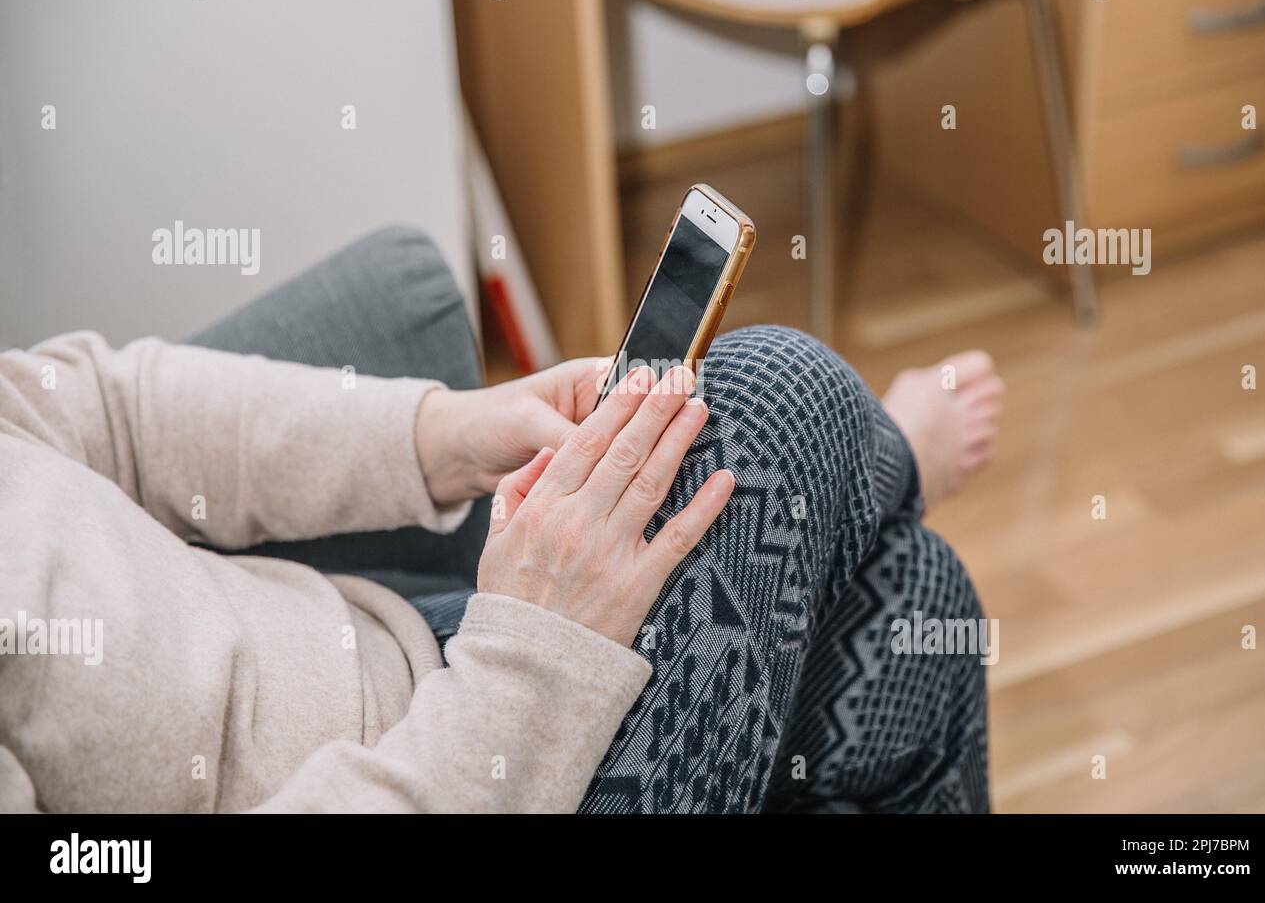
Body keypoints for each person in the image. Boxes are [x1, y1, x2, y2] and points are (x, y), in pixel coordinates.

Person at [0, 227, 1002, 813]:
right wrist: (528, 662)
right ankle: (890, 461)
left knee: (916, 600)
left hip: (412, 664)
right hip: (463, 756)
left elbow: (108, 409)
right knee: (775, 395)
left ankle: (866, 488)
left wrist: (441, 430)